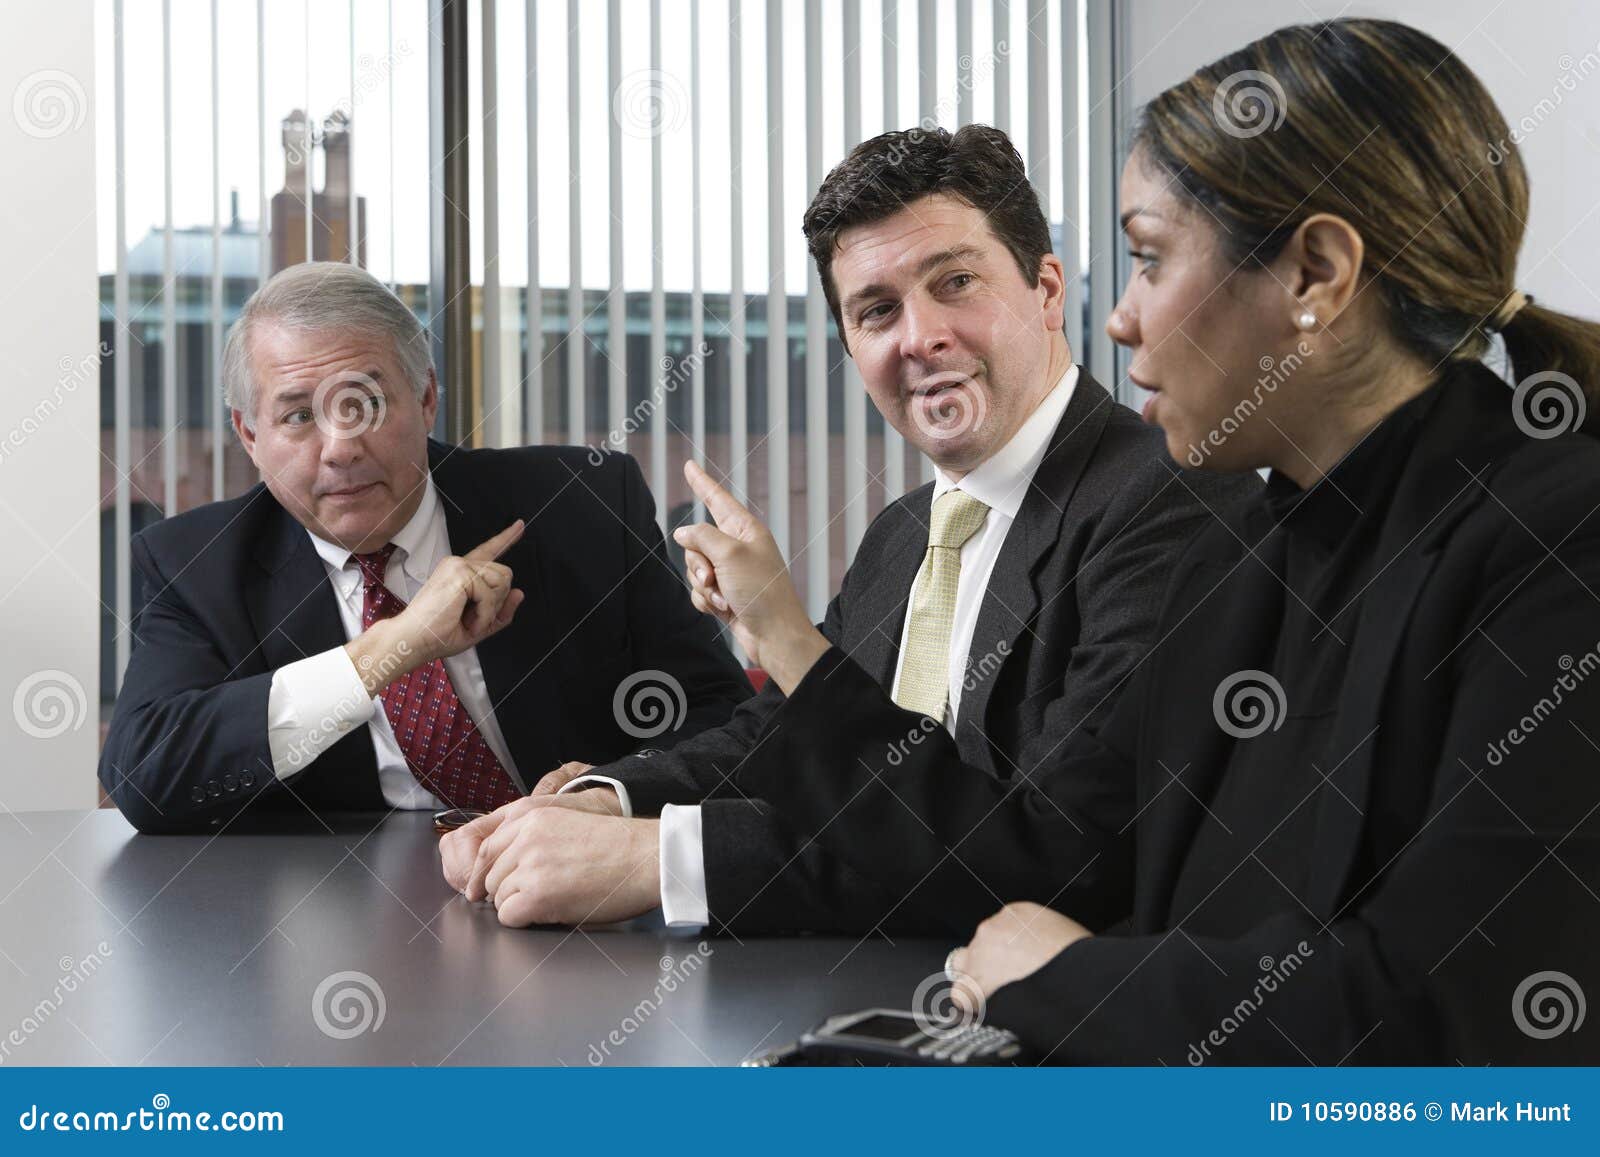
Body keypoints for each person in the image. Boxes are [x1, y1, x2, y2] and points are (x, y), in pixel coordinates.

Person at [659, 19, 1600, 1063]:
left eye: (1149, 258)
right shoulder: (1240, 548)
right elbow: (1052, 854)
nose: (1122, 317)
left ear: (1316, 274)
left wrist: (1064, 981)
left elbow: (1442, 1023)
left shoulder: (1558, 540)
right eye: (874, 309)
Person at [439, 125, 1257, 931]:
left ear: (1047, 291)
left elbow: (1050, 854)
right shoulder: (906, 533)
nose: (919, 337)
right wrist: (606, 798)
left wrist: (661, 859)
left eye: (957, 282)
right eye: (876, 311)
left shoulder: (1173, 500)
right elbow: (797, 731)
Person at [100, 262, 750, 834]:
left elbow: (724, 716)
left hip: (585, 892)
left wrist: (617, 789)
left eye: (367, 402)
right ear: (249, 435)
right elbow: (147, 773)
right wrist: (395, 645)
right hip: (349, 917)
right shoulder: (196, 564)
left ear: (428, 397)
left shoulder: (582, 505)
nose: (341, 447)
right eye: (298, 416)